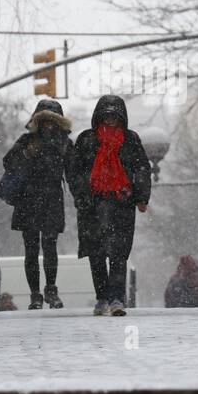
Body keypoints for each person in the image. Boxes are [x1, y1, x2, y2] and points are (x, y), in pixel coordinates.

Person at [66, 94, 152, 317]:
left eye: (115, 116)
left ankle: (116, 299)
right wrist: (80, 194)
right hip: (92, 204)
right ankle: (102, 298)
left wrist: (141, 197)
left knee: (118, 253)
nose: (111, 120)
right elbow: (73, 171)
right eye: (107, 115)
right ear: (99, 116)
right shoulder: (87, 139)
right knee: (96, 254)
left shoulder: (131, 140)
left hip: (121, 203)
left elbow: (142, 168)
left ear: (121, 117)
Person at [2, 98, 74, 309]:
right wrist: (26, 154)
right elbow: (8, 162)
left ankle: (51, 290)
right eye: (45, 121)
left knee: (49, 245)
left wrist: (81, 196)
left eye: (52, 121)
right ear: (38, 121)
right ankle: (35, 294)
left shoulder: (64, 143)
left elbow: (73, 172)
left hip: (52, 198)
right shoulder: (27, 141)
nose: (48, 126)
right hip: (29, 199)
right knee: (31, 249)